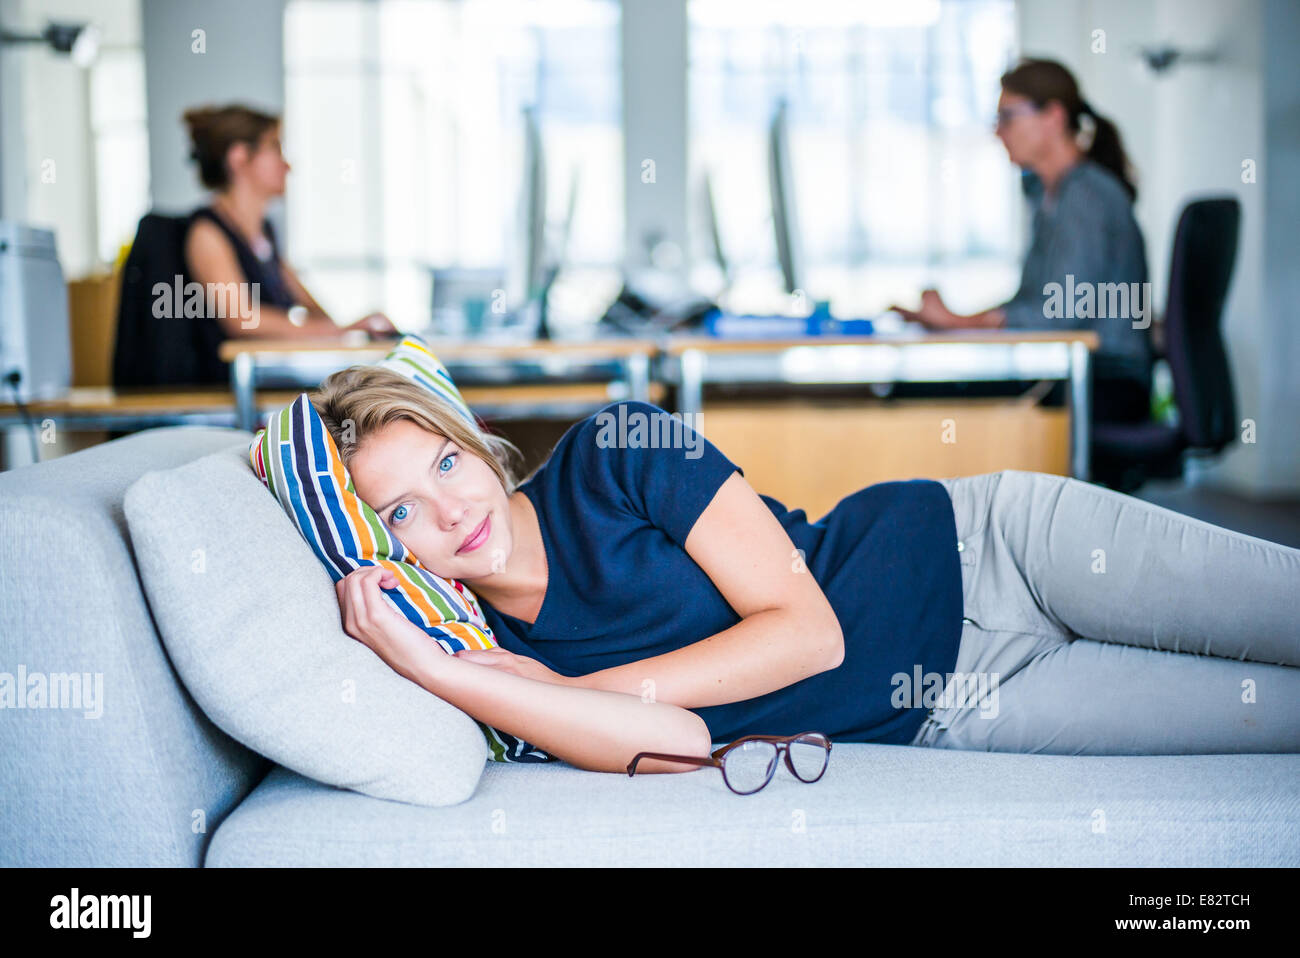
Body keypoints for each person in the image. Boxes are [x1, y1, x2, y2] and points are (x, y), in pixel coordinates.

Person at [316, 371, 1300, 772]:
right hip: (956, 705)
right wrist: (446, 671)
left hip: (993, 547)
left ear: (481, 445)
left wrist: (562, 689)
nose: (451, 510)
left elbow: (806, 631)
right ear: (387, 545)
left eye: (447, 463)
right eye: (403, 510)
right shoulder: (502, 655)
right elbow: (674, 747)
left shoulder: (614, 448)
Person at [892, 58, 1155, 424]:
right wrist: (959, 320)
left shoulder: (1086, 197)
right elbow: (1033, 303)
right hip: (1079, 374)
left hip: (1105, 383)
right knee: (918, 392)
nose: (998, 132)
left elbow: (1061, 314)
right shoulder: (1049, 196)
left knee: (916, 399)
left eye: (1008, 117)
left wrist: (960, 322)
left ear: (1053, 117)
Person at [181, 104, 398, 364]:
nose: (287, 165)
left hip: (264, 377)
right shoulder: (207, 233)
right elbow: (242, 319)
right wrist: (343, 330)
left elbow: (310, 306)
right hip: (226, 389)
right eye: (275, 147)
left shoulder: (264, 235)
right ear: (239, 157)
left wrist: (353, 327)